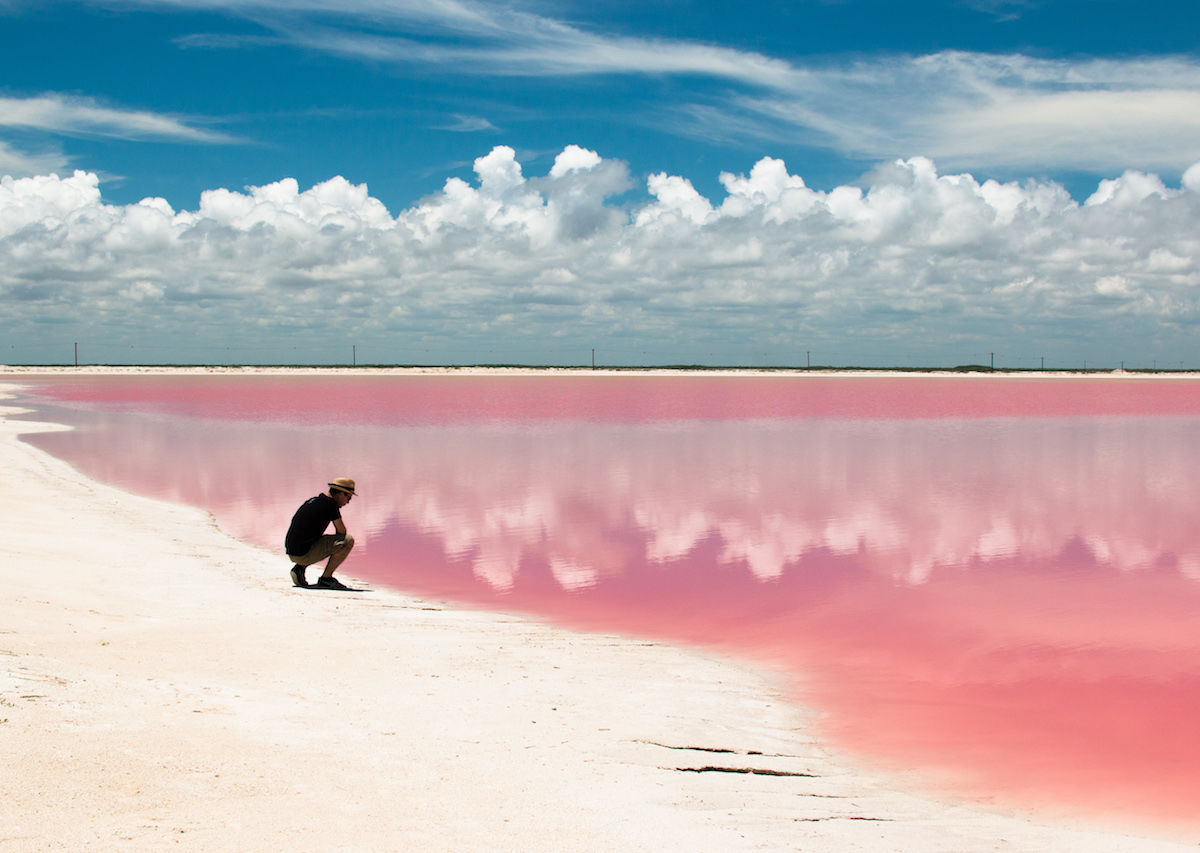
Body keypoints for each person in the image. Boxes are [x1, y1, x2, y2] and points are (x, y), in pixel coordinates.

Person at [285, 477, 357, 589]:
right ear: (341, 494)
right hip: (301, 554)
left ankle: (300, 568)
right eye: (348, 498)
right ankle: (326, 579)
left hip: (292, 551)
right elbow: (342, 532)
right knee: (347, 541)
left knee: (325, 540)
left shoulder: (315, 500)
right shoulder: (331, 504)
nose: (348, 502)